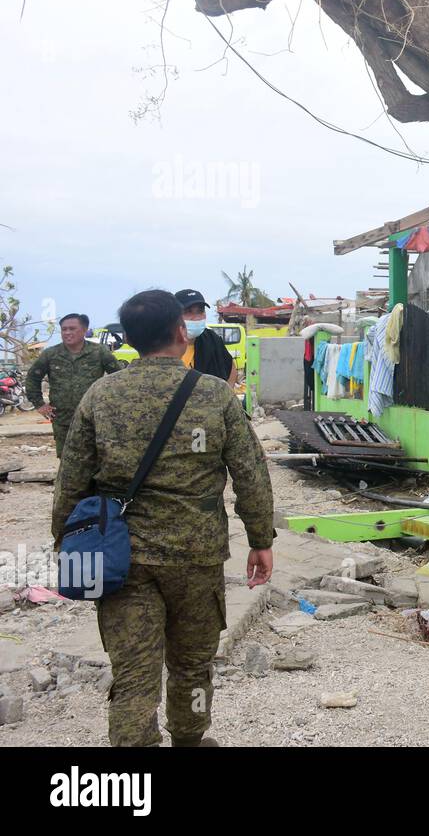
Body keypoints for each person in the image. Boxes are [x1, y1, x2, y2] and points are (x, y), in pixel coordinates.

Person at [53, 290, 275, 747]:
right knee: (192, 665)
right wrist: (260, 539)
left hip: (120, 557)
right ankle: (190, 739)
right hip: (196, 557)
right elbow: (250, 473)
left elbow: (71, 480)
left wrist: (65, 542)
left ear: (130, 339)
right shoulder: (213, 394)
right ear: (180, 331)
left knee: (134, 673)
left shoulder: (101, 394)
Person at [24, 313, 120, 456]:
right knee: (66, 458)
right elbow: (32, 378)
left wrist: (110, 403)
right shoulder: (51, 354)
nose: (67, 333)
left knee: (95, 457)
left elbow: (117, 376)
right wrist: (39, 404)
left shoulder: (99, 352)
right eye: (64, 329)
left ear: (84, 330)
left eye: (72, 329)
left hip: (93, 417)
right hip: (63, 418)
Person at [175, 288, 237, 386]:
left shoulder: (212, 340)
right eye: (188, 311)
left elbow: (230, 367)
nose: (196, 317)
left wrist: (228, 394)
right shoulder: (166, 344)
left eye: (200, 311)